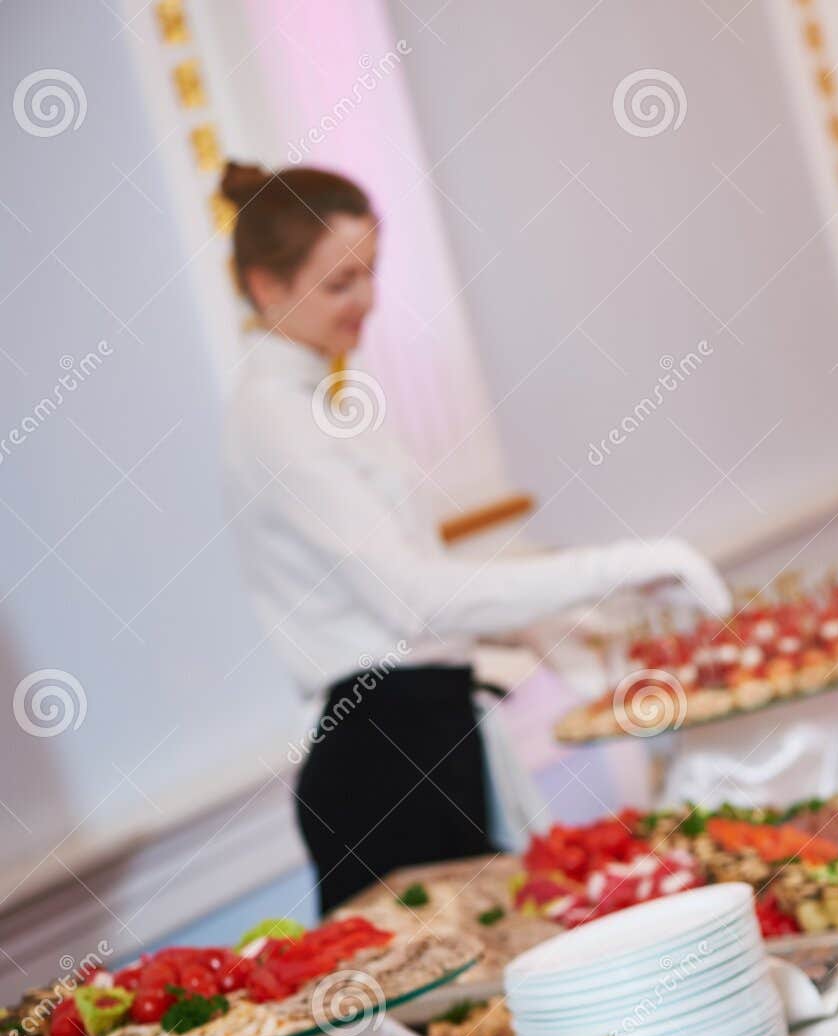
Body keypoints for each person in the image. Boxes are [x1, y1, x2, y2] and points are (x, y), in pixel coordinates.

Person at [218, 161, 730, 914]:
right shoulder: (277, 421)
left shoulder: (322, 399)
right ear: (267, 287)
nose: (367, 301)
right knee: (459, 1017)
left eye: (370, 274)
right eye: (339, 284)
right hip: (380, 758)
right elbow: (416, 599)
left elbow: (417, 579)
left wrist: (547, 630)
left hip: (429, 730)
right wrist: (621, 564)